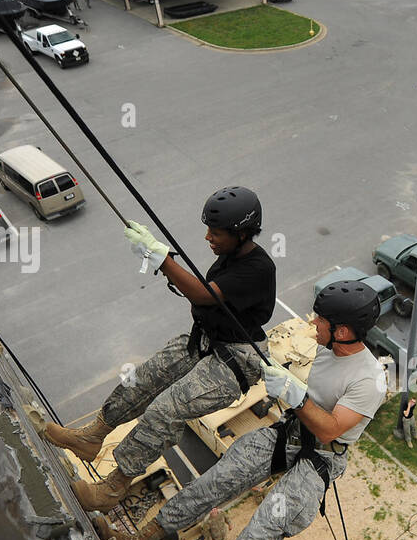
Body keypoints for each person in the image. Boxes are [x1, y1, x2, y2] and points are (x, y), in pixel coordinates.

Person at [95, 279, 386, 540]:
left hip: (322, 458)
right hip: (292, 433)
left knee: (262, 531)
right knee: (217, 480)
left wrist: (295, 396)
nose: (313, 322)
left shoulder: (369, 379)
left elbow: (330, 428)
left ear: (343, 331)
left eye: (321, 319)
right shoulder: (327, 347)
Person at [44, 187, 274, 512]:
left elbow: (204, 295)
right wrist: (159, 255)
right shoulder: (229, 257)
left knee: (165, 410)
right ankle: (91, 437)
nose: (208, 237)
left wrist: (161, 257)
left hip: (235, 360)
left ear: (241, 233)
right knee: (144, 378)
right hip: (208, 338)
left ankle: (113, 489)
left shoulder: (258, 269)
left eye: (217, 233)